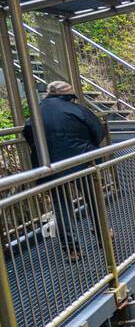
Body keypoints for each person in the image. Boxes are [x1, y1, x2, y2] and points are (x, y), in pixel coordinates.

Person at [23, 81, 107, 261]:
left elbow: (28, 132)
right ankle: (103, 235)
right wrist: (88, 146)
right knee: (93, 197)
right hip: (82, 161)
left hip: (51, 165)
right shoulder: (77, 109)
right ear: (69, 95)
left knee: (61, 205)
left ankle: (71, 249)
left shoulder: (37, 111)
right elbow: (98, 130)